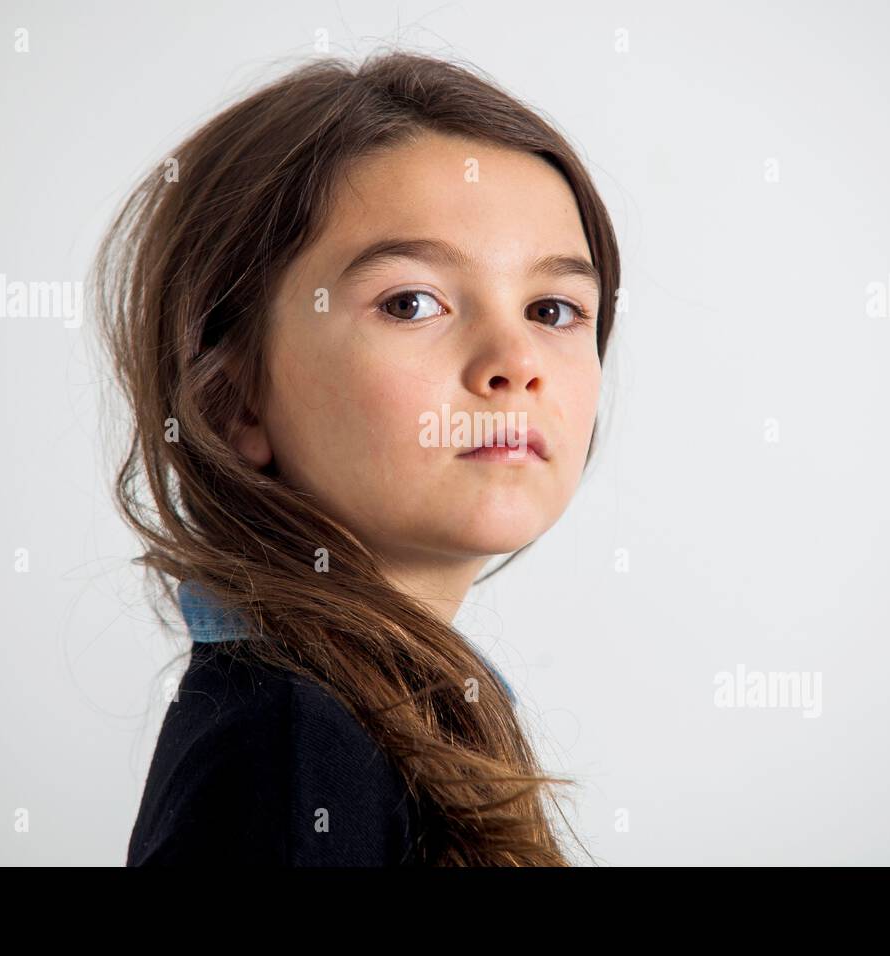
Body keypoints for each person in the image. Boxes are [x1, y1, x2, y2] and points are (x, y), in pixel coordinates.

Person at [92, 49, 621, 866]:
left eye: (553, 308)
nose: (516, 361)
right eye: (412, 303)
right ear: (232, 401)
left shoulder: (366, 720)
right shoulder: (290, 747)